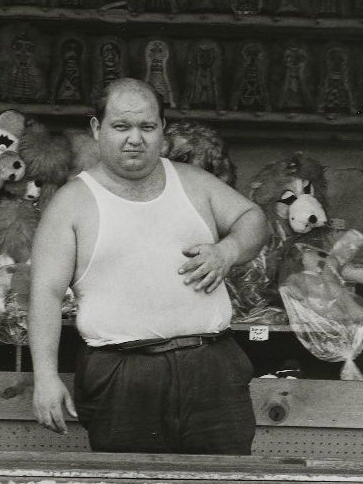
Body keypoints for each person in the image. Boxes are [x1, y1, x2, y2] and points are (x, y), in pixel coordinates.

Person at [29, 78, 270, 454]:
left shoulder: (194, 183)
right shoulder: (71, 203)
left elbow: (253, 218)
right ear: (97, 129)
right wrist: (45, 377)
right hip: (122, 374)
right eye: (121, 126)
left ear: (162, 131)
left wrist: (228, 250)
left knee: (226, 481)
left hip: (211, 367)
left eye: (147, 127)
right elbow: (45, 293)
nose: (134, 139)